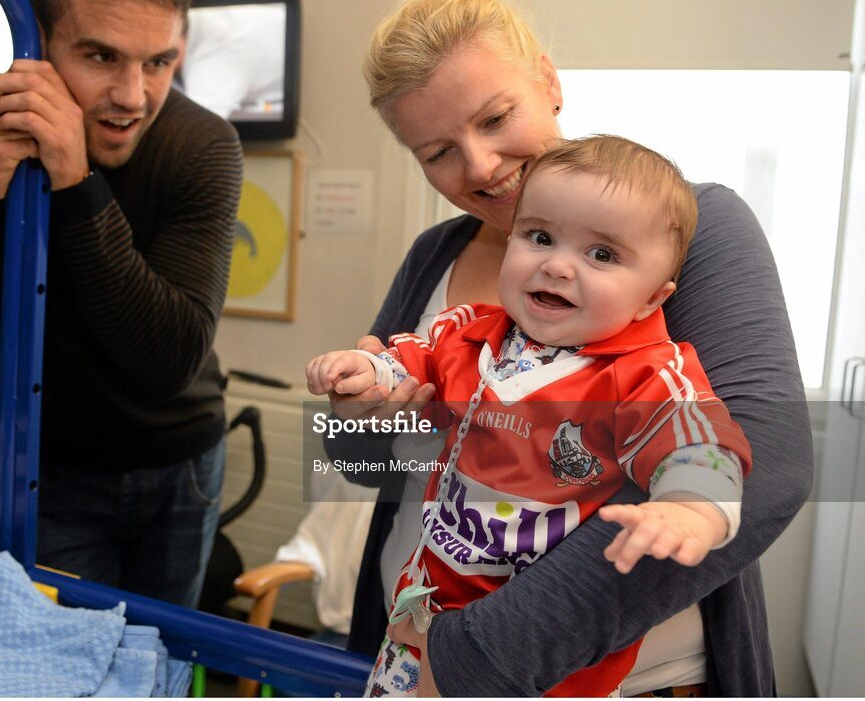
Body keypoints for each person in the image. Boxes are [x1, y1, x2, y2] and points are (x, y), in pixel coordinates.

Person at [324, 0, 812, 697]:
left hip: (606, 678)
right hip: (408, 644)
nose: (480, 166)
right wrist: (357, 416)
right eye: (438, 152)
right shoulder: (435, 255)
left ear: (549, 83)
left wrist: (479, 654)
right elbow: (370, 465)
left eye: (496, 118)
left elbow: (767, 467)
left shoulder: (689, 229)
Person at [310, 136, 753, 697]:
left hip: (540, 665)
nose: (557, 265)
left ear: (651, 299)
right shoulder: (469, 331)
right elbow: (407, 362)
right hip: (422, 616)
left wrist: (691, 509)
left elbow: (700, 444)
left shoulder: (645, 374)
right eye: (539, 237)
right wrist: (365, 373)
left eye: (602, 255)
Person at [0, 0, 243, 609]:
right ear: (33, 38)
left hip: (180, 457)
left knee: (161, 659)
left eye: (159, 61)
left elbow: (169, 361)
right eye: (100, 56)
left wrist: (76, 181)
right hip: (49, 464)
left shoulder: (203, 143)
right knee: (62, 661)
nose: (133, 97)